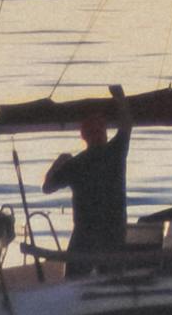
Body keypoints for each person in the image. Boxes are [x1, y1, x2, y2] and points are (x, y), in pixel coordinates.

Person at [44, 89, 133, 264]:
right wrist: (120, 97)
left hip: (85, 235)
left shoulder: (75, 164)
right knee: (111, 275)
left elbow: (47, 187)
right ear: (104, 133)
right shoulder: (116, 152)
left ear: (84, 136)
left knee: (74, 276)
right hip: (113, 233)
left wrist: (59, 162)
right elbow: (127, 124)